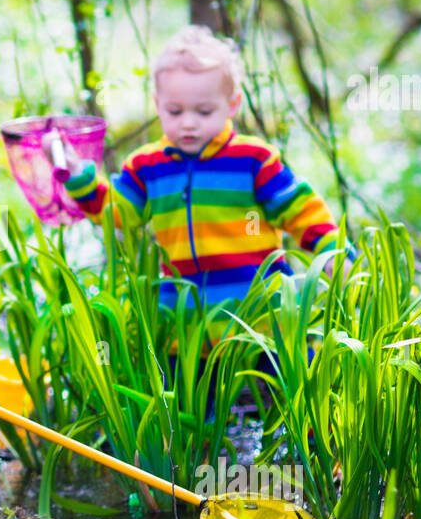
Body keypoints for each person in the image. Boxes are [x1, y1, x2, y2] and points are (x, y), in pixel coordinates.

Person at [50, 24, 352, 419]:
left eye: (204, 111)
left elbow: (299, 208)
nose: (188, 123)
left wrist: (330, 249)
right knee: (191, 406)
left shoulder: (253, 160)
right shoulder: (147, 166)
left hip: (259, 310)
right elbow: (117, 214)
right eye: (175, 112)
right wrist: (80, 178)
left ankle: (314, 452)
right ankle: (199, 465)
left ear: (232, 105)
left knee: (293, 388)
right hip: (185, 317)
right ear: (157, 104)